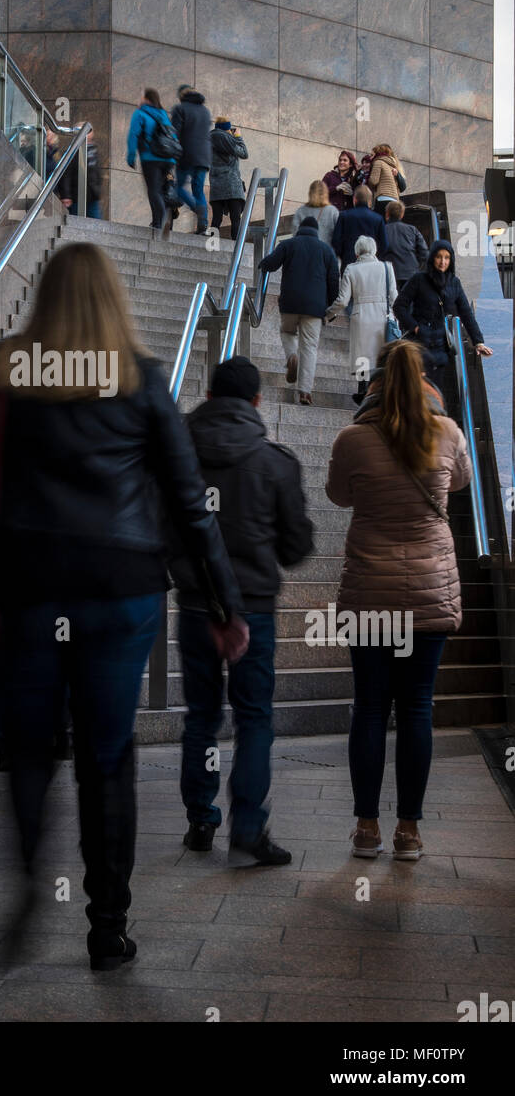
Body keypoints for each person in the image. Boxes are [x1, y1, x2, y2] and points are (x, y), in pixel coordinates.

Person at [0, 242, 245, 971]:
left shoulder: (4, 369)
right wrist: (223, 600)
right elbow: (188, 501)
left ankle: (22, 891)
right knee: (107, 757)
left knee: (29, 751)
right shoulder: (142, 378)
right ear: (114, 301)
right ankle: (107, 926)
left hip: (30, 589)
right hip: (121, 589)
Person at [326, 340, 472, 862]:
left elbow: (338, 495)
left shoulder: (353, 437)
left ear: (377, 379)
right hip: (430, 591)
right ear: (426, 380)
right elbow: (460, 482)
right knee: (416, 709)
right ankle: (409, 831)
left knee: (369, 707)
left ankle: (367, 827)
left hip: (371, 593)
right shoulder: (448, 432)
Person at [170, 357, 313, 865]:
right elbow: (297, 548)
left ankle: (200, 819)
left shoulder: (180, 456)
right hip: (252, 609)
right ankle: (248, 830)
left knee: (201, 716)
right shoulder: (276, 463)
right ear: (257, 402)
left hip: (194, 605)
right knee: (254, 718)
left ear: (208, 398)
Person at [259, 215, 339, 406]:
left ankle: (291, 356)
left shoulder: (289, 244)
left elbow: (269, 264)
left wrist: (261, 264)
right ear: (316, 232)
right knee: (310, 348)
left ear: (300, 229)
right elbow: (334, 281)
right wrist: (329, 307)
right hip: (315, 308)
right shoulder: (327, 251)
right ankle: (304, 392)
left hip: (290, 303)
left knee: (286, 331)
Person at [393, 239, 493, 392]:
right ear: (432, 257)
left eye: (447, 258)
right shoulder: (419, 279)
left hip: (440, 346)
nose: (443, 262)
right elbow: (399, 306)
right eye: (439, 257)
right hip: (418, 343)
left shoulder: (454, 283)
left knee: (435, 393)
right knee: (415, 391)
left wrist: (478, 341)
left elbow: (466, 313)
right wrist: (415, 327)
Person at [326, 235, 397, 404]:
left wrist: (329, 313)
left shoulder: (351, 269)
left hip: (361, 316)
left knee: (363, 356)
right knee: (381, 355)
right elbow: (394, 297)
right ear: (374, 250)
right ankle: (381, 390)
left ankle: (363, 390)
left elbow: (343, 300)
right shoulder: (387, 268)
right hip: (383, 317)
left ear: (357, 253)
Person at [126, 88, 177, 233]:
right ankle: (157, 222)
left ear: (147, 99)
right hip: (168, 158)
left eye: (141, 96)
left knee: (153, 190)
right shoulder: (163, 114)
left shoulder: (140, 113)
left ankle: (159, 220)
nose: (139, 99)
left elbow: (133, 135)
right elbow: (172, 136)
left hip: (151, 158)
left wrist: (131, 156)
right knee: (161, 190)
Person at [169, 84, 211, 234]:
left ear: (181, 96)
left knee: (179, 188)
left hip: (186, 155)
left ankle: (195, 207)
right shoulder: (205, 111)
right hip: (204, 157)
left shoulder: (180, 109)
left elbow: (174, 133)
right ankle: (203, 223)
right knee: (198, 189)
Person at [208, 116, 248, 240]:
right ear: (227, 129)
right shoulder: (229, 140)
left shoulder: (208, 139)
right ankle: (235, 246)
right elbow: (244, 153)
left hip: (216, 183)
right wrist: (238, 137)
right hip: (232, 184)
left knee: (216, 218)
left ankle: (210, 246)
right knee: (235, 218)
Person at [331, 185, 388, 269]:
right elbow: (384, 245)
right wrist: (375, 256)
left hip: (349, 262)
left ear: (354, 199)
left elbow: (336, 241)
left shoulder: (344, 216)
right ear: (370, 201)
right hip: (371, 264)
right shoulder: (378, 219)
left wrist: (343, 255)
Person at [383, 200, 428, 287]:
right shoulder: (412, 230)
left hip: (388, 274)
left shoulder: (382, 230)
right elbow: (424, 253)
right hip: (411, 274)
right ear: (402, 214)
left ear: (387, 213)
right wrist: (417, 269)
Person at [292, 178, 339, 245]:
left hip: (306, 249)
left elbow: (295, 232)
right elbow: (338, 234)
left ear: (310, 193)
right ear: (326, 193)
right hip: (326, 250)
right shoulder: (332, 211)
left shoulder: (301, 210)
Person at [367, 143, 404, 208]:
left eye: (372, 155)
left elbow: (373, 181)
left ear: (378, 154)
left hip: (382, 198)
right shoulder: (392, 165)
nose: (370, 158)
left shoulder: (378, 162)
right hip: (395, 200)